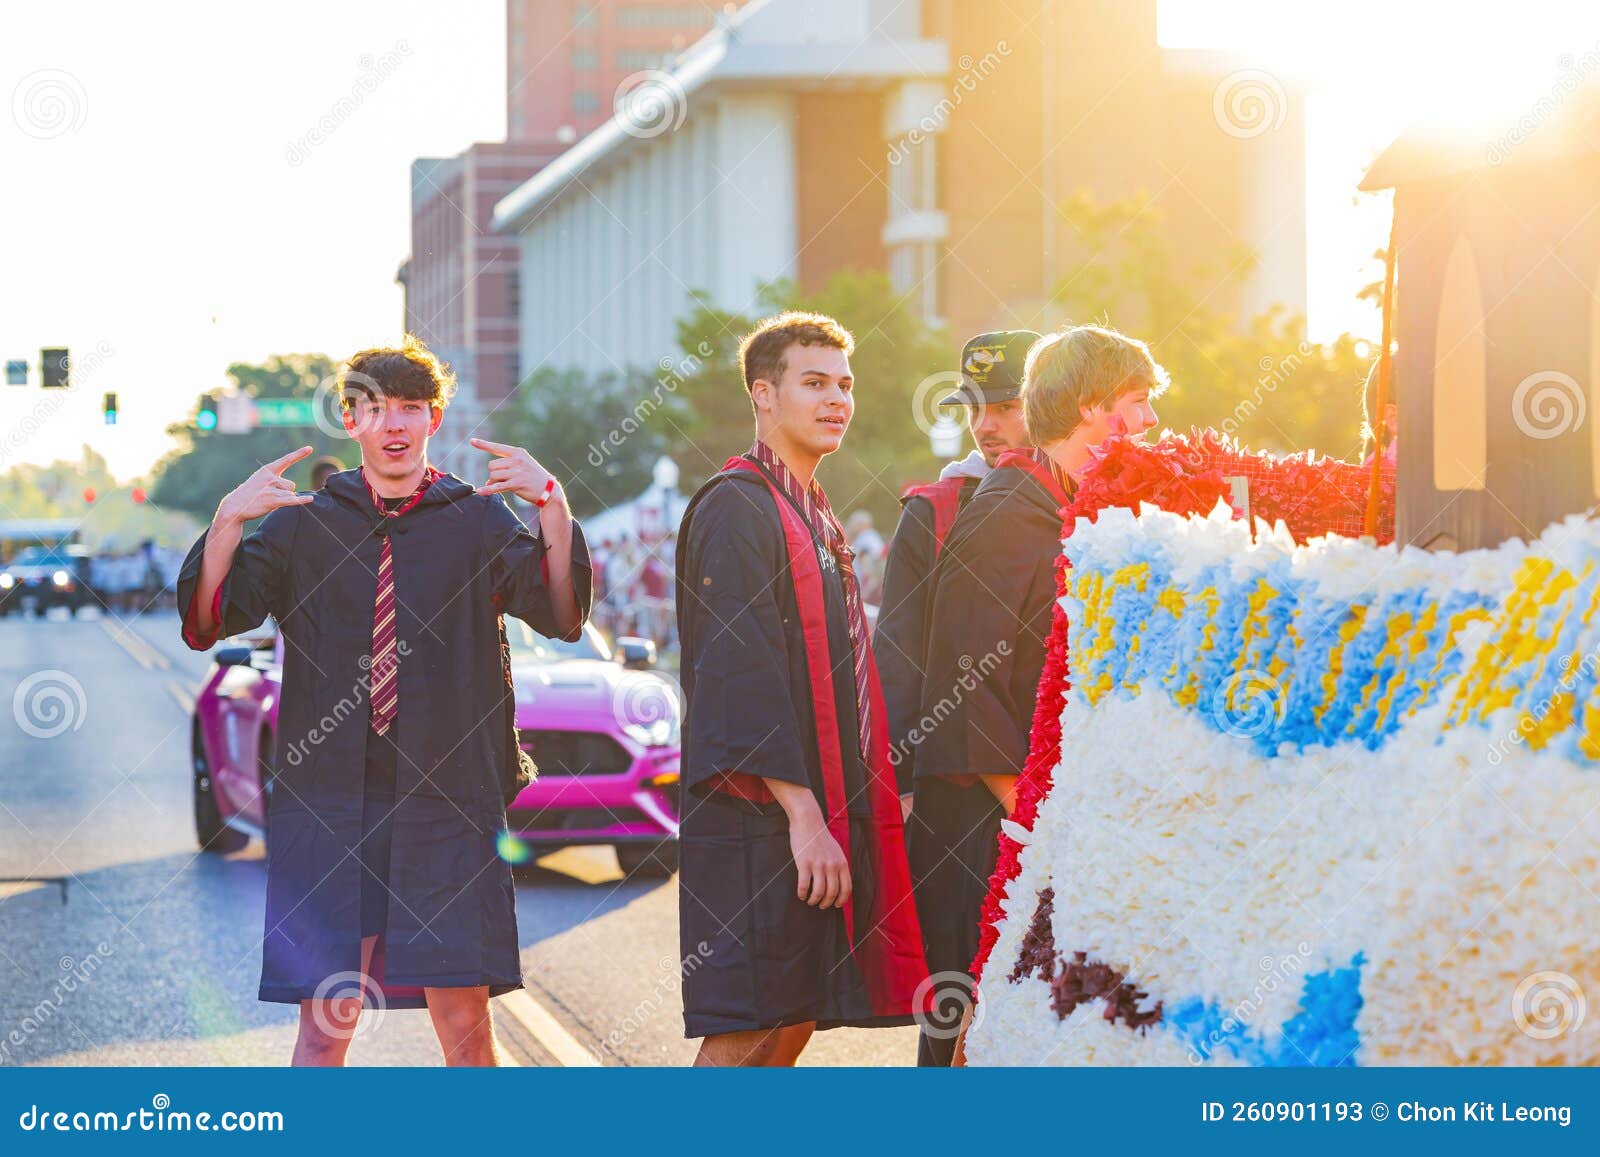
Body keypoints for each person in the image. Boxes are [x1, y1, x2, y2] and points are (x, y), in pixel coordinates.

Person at [177, 335, 590, 1067]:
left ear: (435, 418)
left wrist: (551, 503)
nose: (394, 425)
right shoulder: (305, 522)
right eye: (375, 409)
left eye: (410, 408)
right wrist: (228, 522)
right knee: (324, 1021)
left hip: (447, 802)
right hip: (331, 802)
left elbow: (561, 614)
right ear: (351, 420)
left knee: (464, 1019)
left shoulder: (475, 519)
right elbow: (208, 621)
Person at [910, 324, 1167, 1065]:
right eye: (1135, 401)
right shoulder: (1002, 512)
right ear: (1089, 405)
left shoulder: (1062, 503)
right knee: (966, 1038)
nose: (1148, 421)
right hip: (985, 834)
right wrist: (1039, 827)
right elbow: (966, 692)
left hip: (1029, 826)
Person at [675, 311, 927, 1066]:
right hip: (759, 816)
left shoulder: (808, 514)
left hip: (811, 808)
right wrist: (803, 813)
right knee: (748, 1022)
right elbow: (736, 670)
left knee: (793, 1019)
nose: (836, 400)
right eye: (813, 383)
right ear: (763, 394)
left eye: (845, 385)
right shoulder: (737, 507)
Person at [875, 331, 1038, 810]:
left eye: (1008, 406)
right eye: (974, 409)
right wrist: (901, 789)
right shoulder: (932, 511)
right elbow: (899, 655)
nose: (986, 424)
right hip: (957, 795)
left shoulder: (1082, 503)